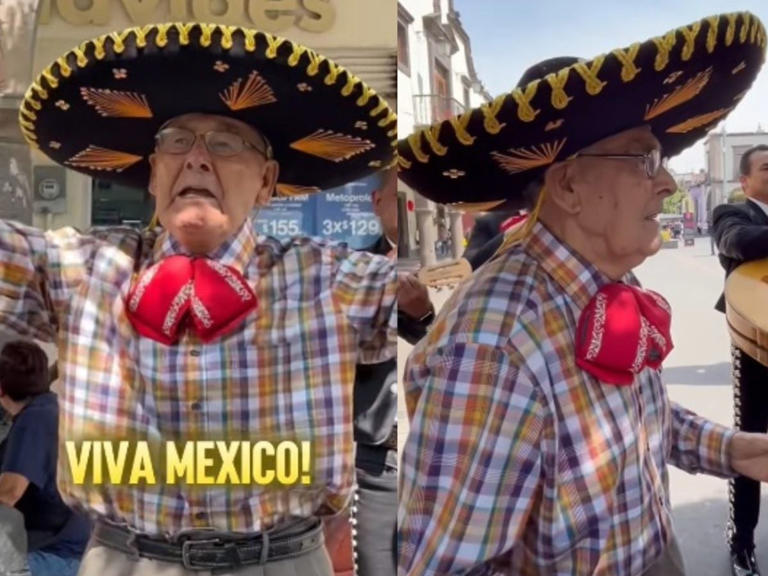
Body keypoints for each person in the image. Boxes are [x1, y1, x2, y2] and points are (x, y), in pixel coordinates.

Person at [5, 23, 397, 576]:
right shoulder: (84, 268)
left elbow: (442, 309)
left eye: (224, 142)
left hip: (283, 562)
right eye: (175, 141)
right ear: (153, 175)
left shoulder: (330, 277)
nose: (196, 158)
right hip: (125, 560)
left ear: (267, 181)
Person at [397, 12, 768, 576]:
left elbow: (636, 415)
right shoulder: (490, 351)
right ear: (567, 185)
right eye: (644, 158)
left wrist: (736, 449)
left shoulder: (609, 279)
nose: (667, 183)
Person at [712, 143, 768, 576]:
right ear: (744, 181)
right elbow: (744, 244)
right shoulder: (732, 217)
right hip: (755, 350)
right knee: (750, 445)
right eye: (767, 169)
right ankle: (742, 540)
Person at [0, 340, 90, 576]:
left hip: (56, 555)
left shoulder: (34, 420)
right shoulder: (54, 408)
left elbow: (9, 494)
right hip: (78, 549)